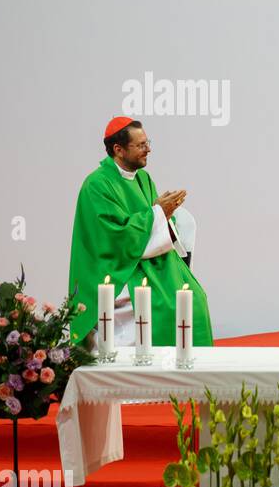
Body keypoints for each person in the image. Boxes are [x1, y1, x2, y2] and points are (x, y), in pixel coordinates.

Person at [69, 117, 213, 347]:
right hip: (117, 269)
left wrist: (163, 214)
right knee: (166, 306)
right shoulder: (96, 184)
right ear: (119, 149)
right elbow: (114, 237)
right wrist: (157, 213)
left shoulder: (143, 178)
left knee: (195, 298)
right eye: (141, 145)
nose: (149, 149)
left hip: (148, 260)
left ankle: (191, 376)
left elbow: (153, 221)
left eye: (148, 142)